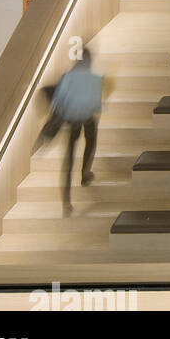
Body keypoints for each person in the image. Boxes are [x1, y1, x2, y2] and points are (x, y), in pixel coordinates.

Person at [34, 50, 105, 216]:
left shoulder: (68, 76)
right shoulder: (94, 79)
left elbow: (58, 102)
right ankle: (85, 173)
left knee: (69, 160)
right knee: (91, 138)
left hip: (71, 118)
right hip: (85, 117)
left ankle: (66, 203)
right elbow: (96, 105)